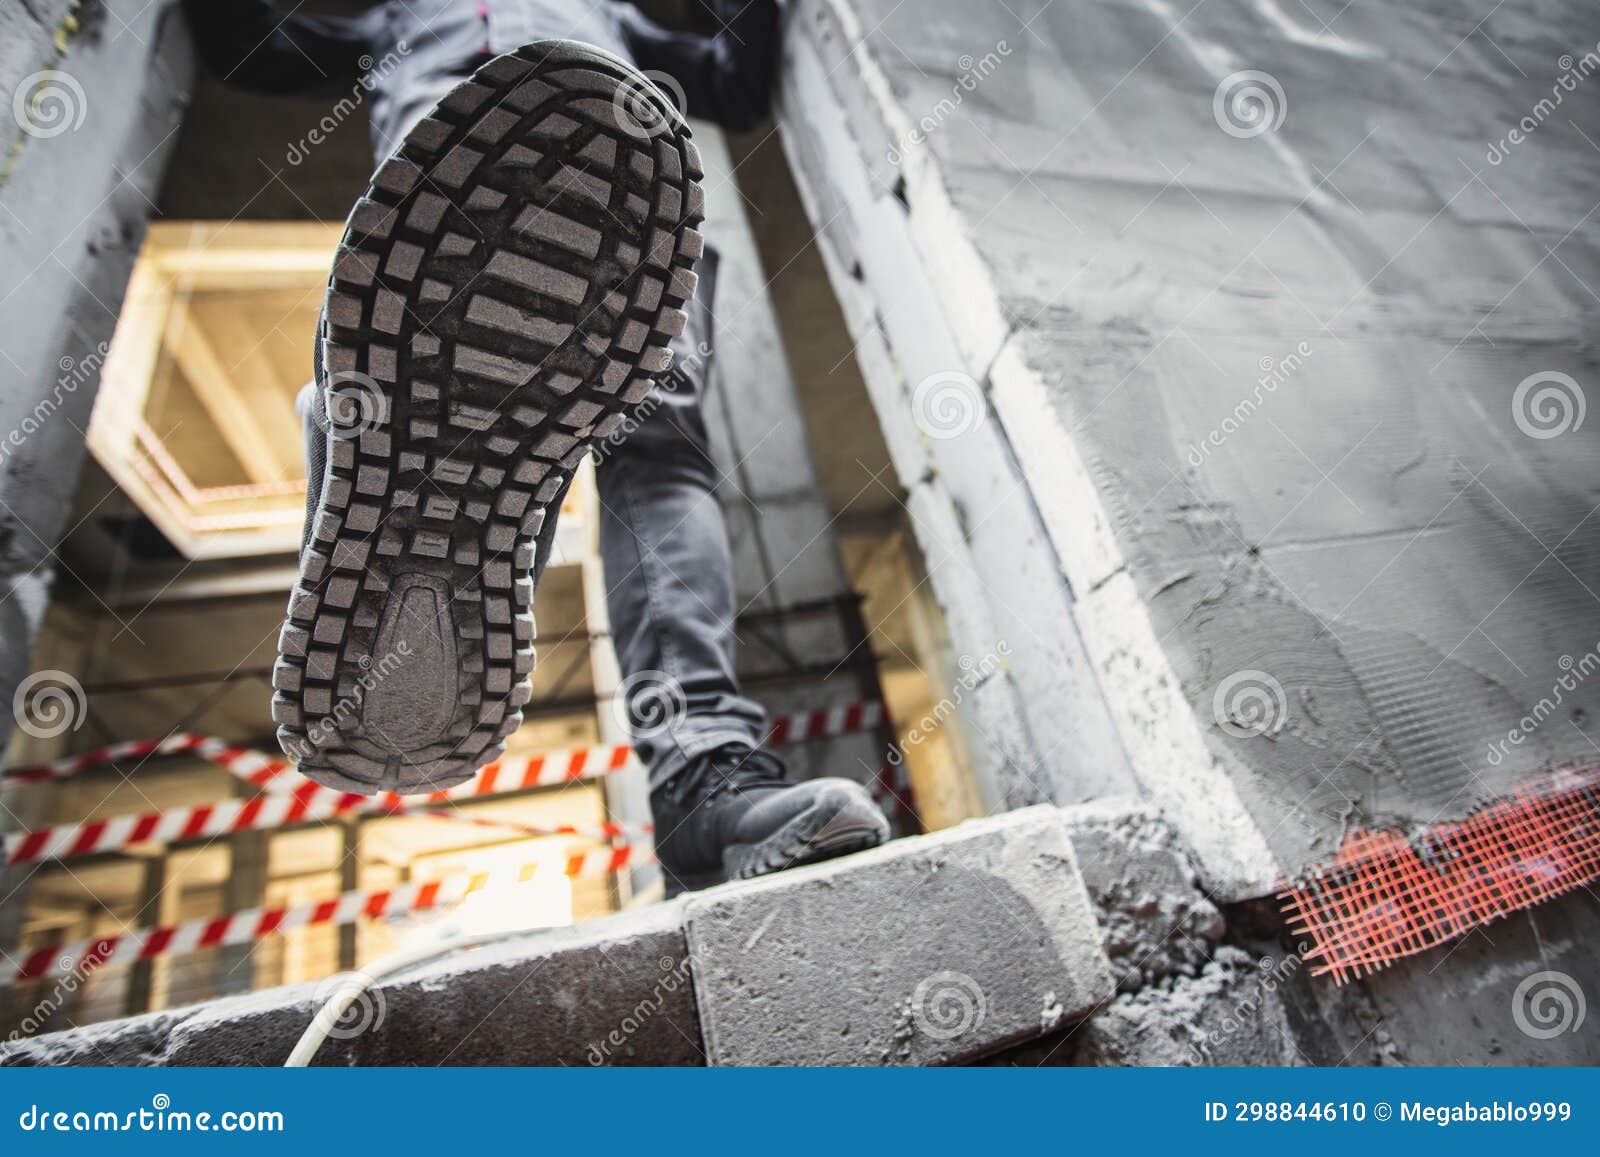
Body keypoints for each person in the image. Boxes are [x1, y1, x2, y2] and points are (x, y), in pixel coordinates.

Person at [183, 0, 889, 894]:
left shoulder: (610, 11)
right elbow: (247, 44)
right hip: (433, 216)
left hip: (630, 234)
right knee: (404, 390)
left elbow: (737, 80)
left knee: (660, 452)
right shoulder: (398, 12)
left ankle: (701, 777)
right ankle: (390, 488)